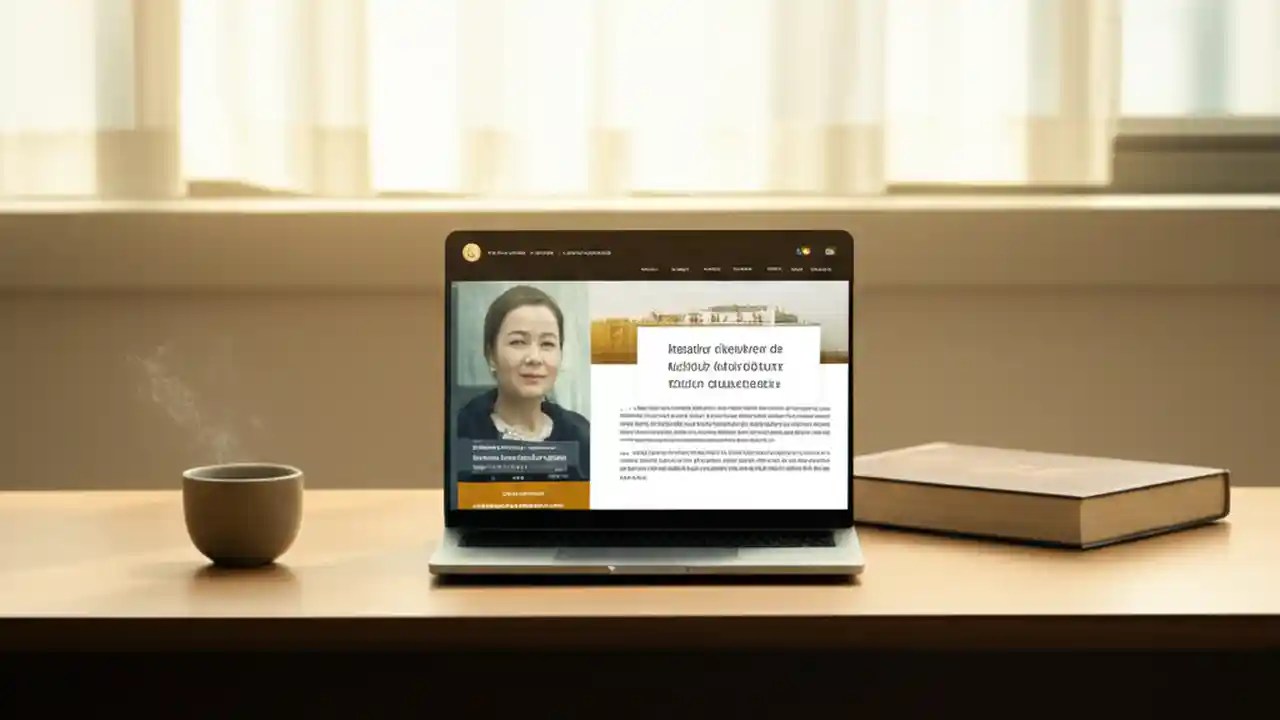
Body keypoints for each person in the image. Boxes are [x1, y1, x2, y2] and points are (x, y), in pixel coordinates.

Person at [455, 285, 591, 480]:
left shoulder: (581, 436)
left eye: (547, 344)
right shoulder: (460, 433)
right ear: (491, 355)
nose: (535, 358)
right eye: (518, 342)